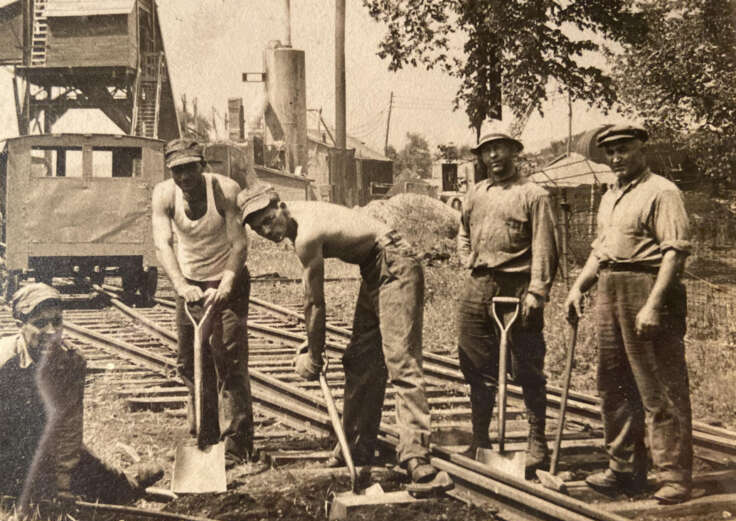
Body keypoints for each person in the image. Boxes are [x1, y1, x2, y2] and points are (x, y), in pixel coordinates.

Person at [236, 187, 438, 484]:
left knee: (400, 360)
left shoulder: (306, 235)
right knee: (360, 360)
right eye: (258, 229)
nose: (267, 231)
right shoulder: (297, 221)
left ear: (280, 206)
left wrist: (315, 357)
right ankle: (356, 448)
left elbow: (315, 302)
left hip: (395, 262)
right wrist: (312, 343)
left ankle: (416, 455)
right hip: (374, 267)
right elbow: (313, 305)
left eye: (268, 220)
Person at [565, 124, 693, 504]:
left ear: (641, 149)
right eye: (611, 152)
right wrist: (578, 287)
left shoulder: (662, 192)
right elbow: (601, 250)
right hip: (610, 286)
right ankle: (624, 468)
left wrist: (653, 304)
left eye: (624, 149)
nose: (617, 158)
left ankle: (673, 474)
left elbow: (674, 253)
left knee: (658, 386)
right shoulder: (610, 196)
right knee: (613, 383)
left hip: (647, 285)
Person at [0, 284, 163, 509]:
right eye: (40, 323)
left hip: (37, 439)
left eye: (57, 322)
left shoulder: (71, 361)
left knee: (100, 478)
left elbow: (69, 427)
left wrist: (63, 486)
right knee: (14, 491)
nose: (51, 331)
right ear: (20, 325)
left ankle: (127, 484)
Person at [457, 133, 559, 473]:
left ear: (515, 152)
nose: (494, 155)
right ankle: (480, 440)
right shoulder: (476, 194)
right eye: (487, 150)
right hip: (478, 285)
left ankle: (537, 443)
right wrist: (467, 258)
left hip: (517, 287)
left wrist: (537, 291)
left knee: (527, 366)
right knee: (475, 364)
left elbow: (545, 246)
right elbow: (462, 232)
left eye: (500, 148)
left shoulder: (533, 195)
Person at [151, 138, 253, 461]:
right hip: (190, 282)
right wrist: (182, 286)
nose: (184, 178)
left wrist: (226, 284)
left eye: (190, 169)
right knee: (189, 359)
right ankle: (206, 439)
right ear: (170, 172)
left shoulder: (225, 190)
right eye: (177, 171)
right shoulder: (164, 195)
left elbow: (239, 245)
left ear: (202, 166)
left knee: (229, 355)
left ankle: (237, 444)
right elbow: (163, 245)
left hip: (228, 278)